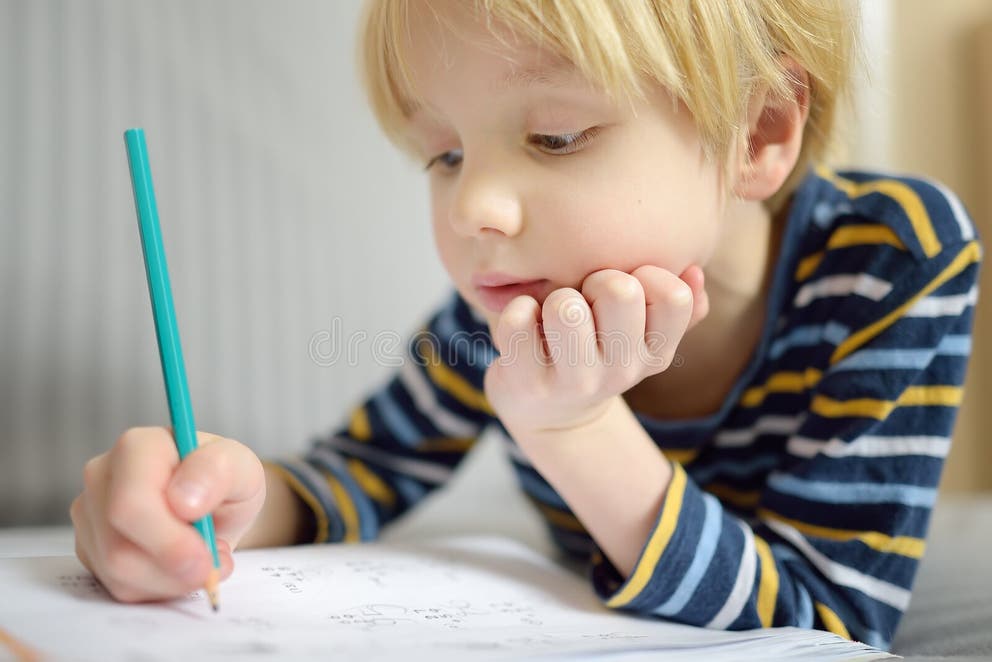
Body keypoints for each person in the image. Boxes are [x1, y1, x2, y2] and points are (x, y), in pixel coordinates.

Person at [71, 0, 982, 650]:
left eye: (554, 137)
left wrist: (578, 433)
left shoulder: (894, 259)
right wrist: (213, 503)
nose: (475, 206)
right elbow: (359, 475)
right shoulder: (501, 312)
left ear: (759, 133)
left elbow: (836, 623)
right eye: (445, 153)